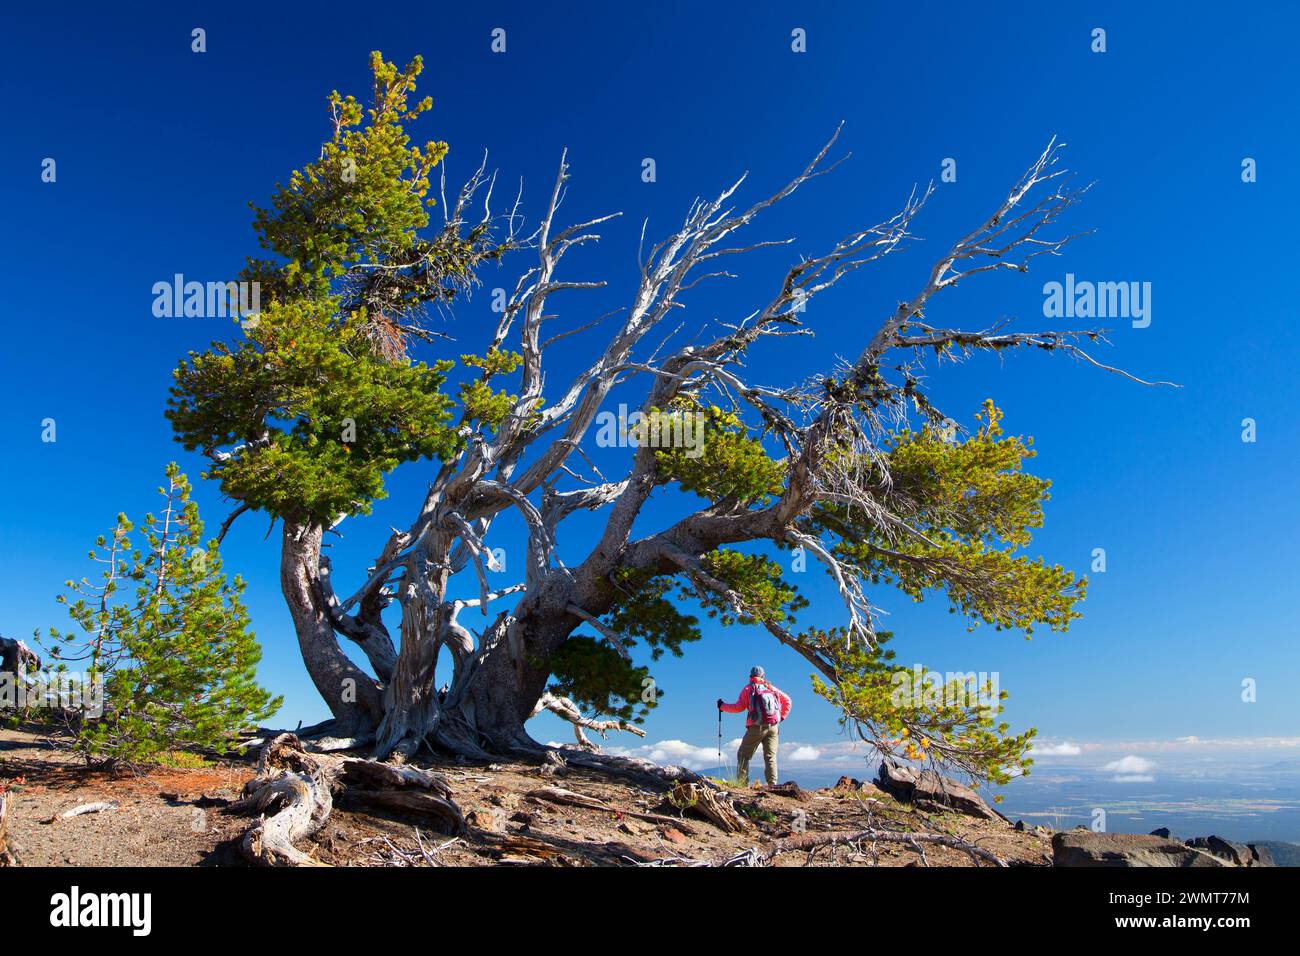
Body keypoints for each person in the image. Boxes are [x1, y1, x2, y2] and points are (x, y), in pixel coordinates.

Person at [717, 666, 791, 785]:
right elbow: (787, 701)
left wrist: (722, 706)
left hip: (756, 727)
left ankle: (742, 783)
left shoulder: (748, 689)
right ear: (763, 676)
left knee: (743, 755)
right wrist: (781, 717)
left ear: (750, 676)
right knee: (770, 757)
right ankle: (772, 784)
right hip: (773, 727)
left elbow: (738, 707)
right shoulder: (771, 688)